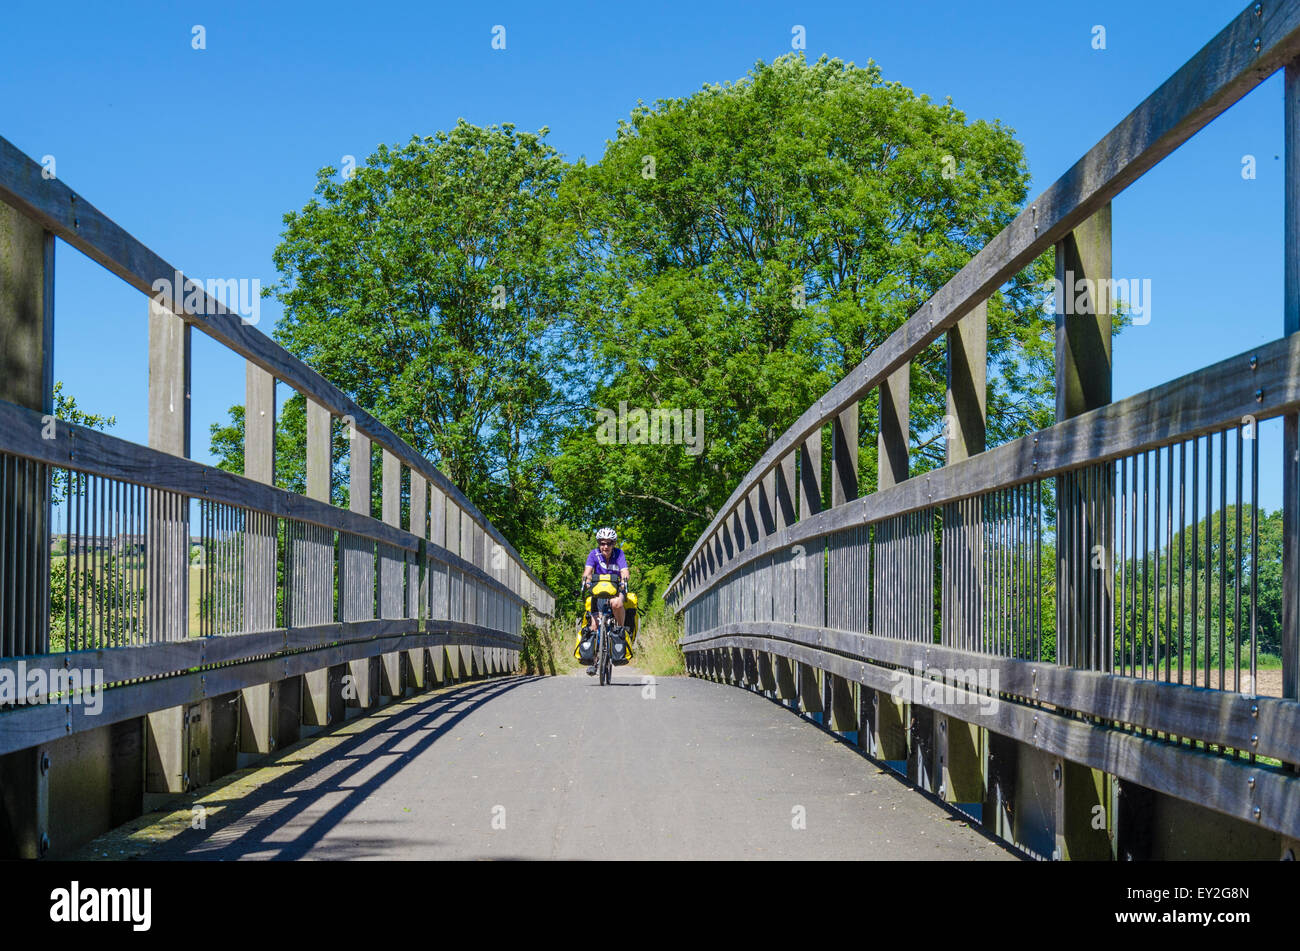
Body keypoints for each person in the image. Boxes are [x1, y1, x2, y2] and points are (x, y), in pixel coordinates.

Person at [581, 527, 630, 675]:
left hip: (616, 590)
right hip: (598, 592)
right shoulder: (593, 554)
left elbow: (625, 572)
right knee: (595, 625)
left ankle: (620, 632)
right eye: (602, 543)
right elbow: (588, 572)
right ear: (599, 543)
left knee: (617, 603)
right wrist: (586, 582)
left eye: (609, 543)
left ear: (613, 544)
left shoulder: (619, 554)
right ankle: (595, 663)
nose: (605, 546)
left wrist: (624, 581)